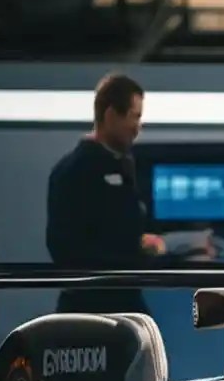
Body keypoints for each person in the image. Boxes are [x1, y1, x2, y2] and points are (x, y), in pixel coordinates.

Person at [45, 72, 166, 314]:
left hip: (123, 302)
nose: (138, 127)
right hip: (89, 308)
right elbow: (65, 247)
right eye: (135, 117)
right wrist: (138, 251)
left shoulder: (122, 167)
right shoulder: (73, 171)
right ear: (111, 115)